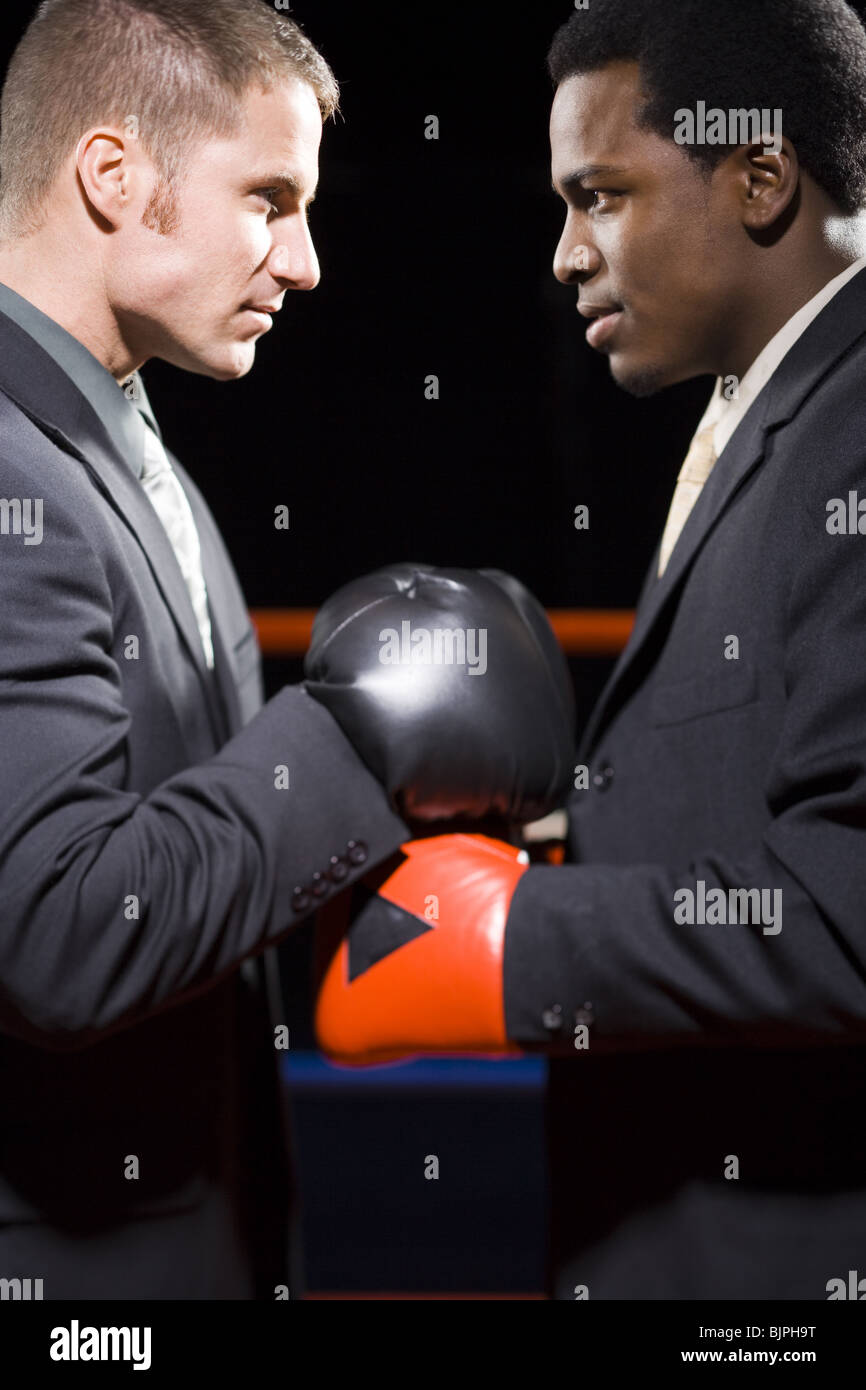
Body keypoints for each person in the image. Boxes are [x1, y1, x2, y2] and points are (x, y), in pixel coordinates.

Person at [0, 0, 572, 1300]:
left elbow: (172, 845)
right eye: (268, 197)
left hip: (198, 1221)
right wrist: (363, 736)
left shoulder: (128, 455)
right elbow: (54, 929)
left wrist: (437, 850)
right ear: (112, 177)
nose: (304, 260)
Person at [312, 0, 866, 1300]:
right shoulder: (772, 413)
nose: (565, 254)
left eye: (600, 196)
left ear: (760, 175)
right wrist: (558, 844)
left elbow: (849, 901)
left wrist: (515, 936)